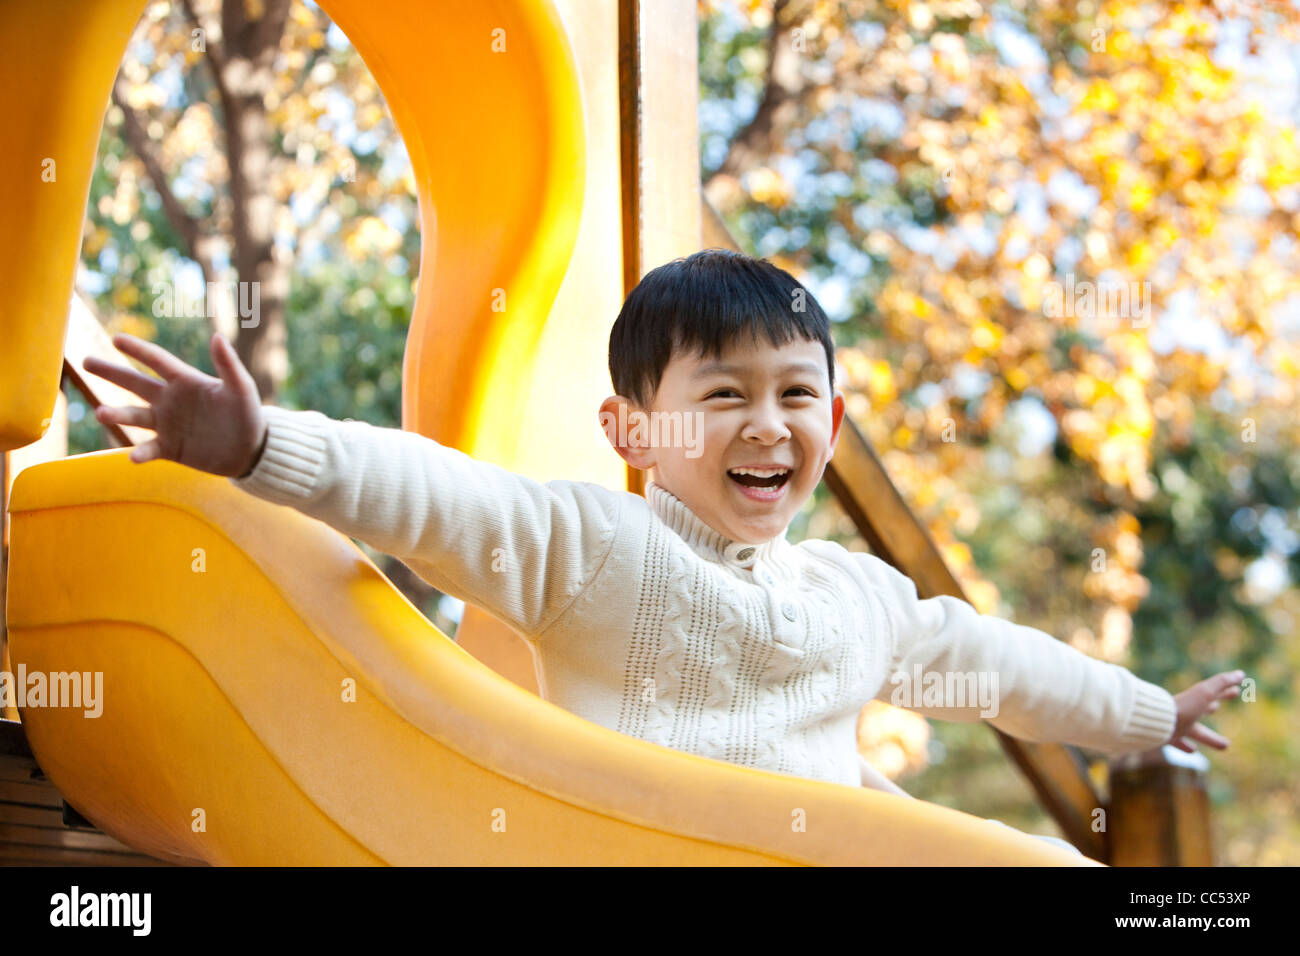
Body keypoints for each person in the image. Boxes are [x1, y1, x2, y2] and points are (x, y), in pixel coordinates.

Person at [82, 248, 1243, 856]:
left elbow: (993, 664)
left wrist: (1145, 713)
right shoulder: (594, 547)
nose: (763, 423)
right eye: (721, 392)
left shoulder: (855, 595)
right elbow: (435, 496)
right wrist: (256, 445)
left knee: (1023, 856)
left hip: (830, 855)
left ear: (830, 428)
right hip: (640, 850)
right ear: (633, 431)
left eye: (796, 394)